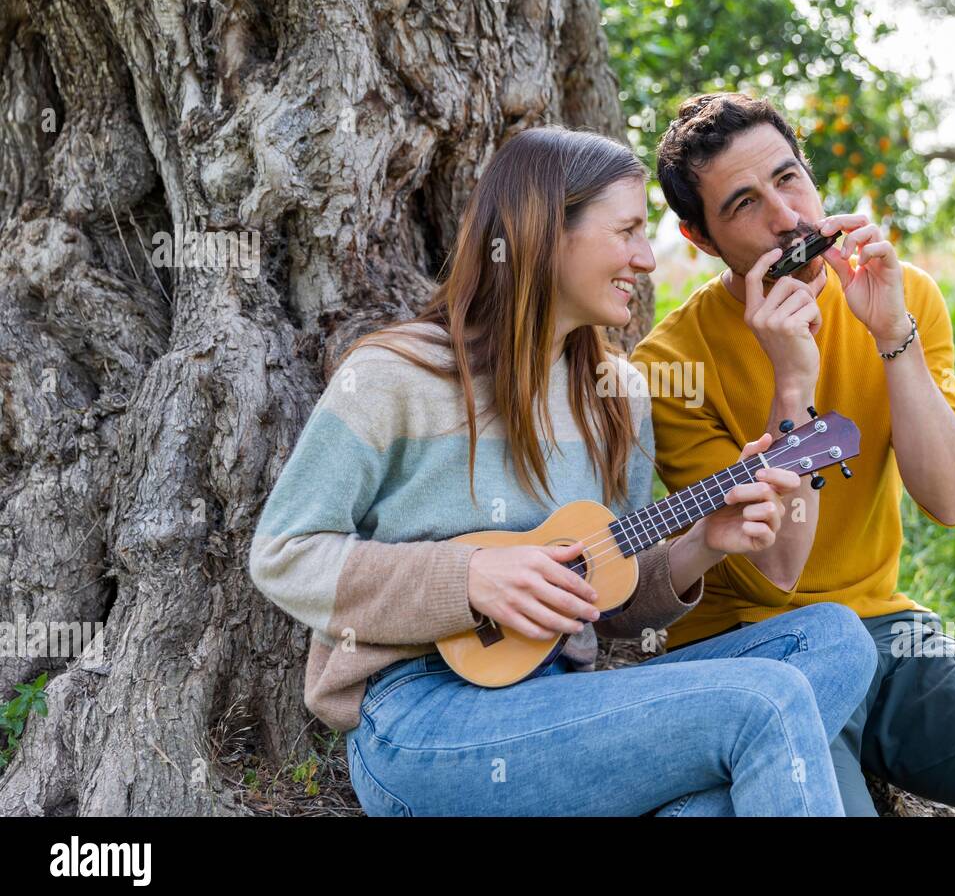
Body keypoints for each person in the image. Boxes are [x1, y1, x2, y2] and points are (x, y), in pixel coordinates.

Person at [247, 124, 877, 816]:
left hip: (562, 702)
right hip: (423, 719)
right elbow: (283, 553)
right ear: (544, 234)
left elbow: (612, 603)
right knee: (768, 700)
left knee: (834, 640)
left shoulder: (617, 397)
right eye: (628, 232)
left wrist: (704, 543)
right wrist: (470, 580)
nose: (646, 259)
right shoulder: (395, 377)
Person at [632, 92, 955, 816]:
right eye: (744, 204)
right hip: (754, 659)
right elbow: (775, 576)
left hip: (885, 636)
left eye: (789, 180)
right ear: (699, 239)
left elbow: (951, 501)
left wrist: (892, 336)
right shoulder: (670, 364)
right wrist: (793, 381)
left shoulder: (902, 298)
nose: (786, 219)